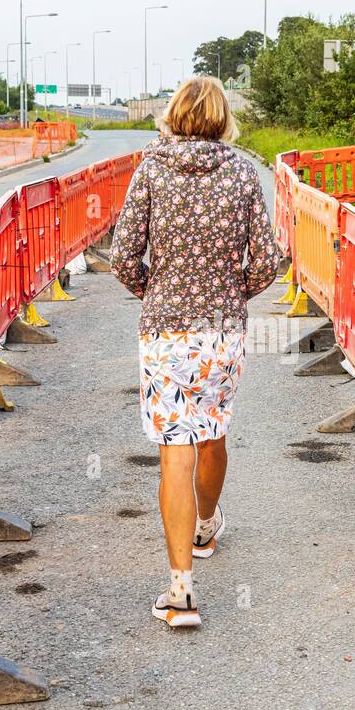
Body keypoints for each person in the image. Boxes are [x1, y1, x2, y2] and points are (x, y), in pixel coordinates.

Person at [110, 76, 278, 630]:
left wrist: (156, 293)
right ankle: (206, 526)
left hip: (165, 330)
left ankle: (181, 592)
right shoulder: (242, 172)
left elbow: (124, 258)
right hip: (222, 330)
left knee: (173, 451)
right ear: (223, 118)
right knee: (212, 430)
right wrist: (232, 294)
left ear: (173, 114)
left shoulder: (151, 169)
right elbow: (267, 260)